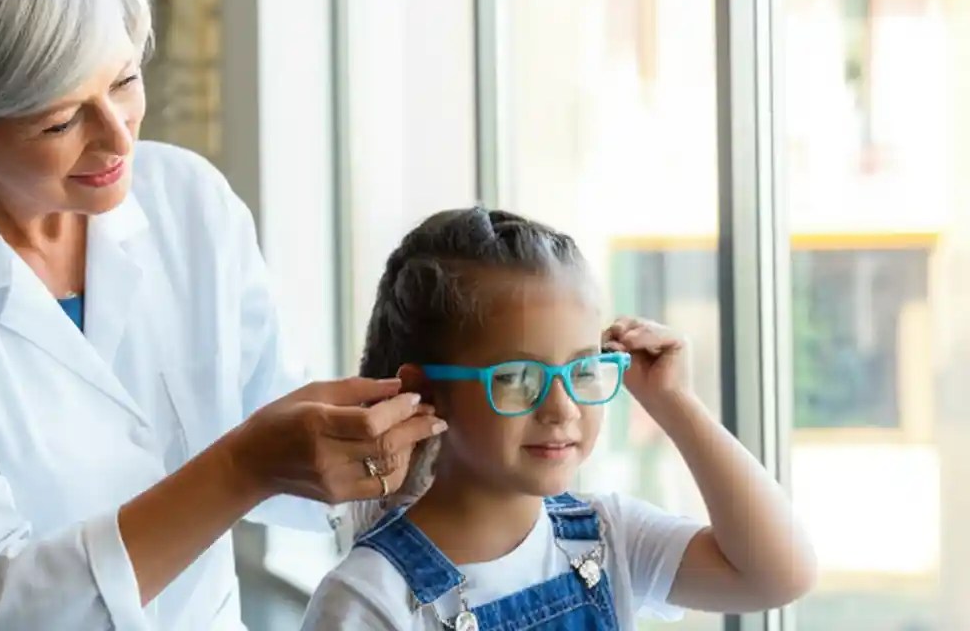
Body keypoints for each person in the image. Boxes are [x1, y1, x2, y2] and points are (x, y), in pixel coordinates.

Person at [0, 0, 445, 629]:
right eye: (61, 119)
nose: (117, 135)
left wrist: (412, 427)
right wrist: (241, 467)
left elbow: (281, 441)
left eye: (125, 81)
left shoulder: (188, 200)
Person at [301, 208, 818, 630]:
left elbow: (777, 574)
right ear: (423, 391)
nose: (562, 407)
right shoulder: (369, 599)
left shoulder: (606, 535)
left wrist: (673, 402)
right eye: (517, 377)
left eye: (583, 369)